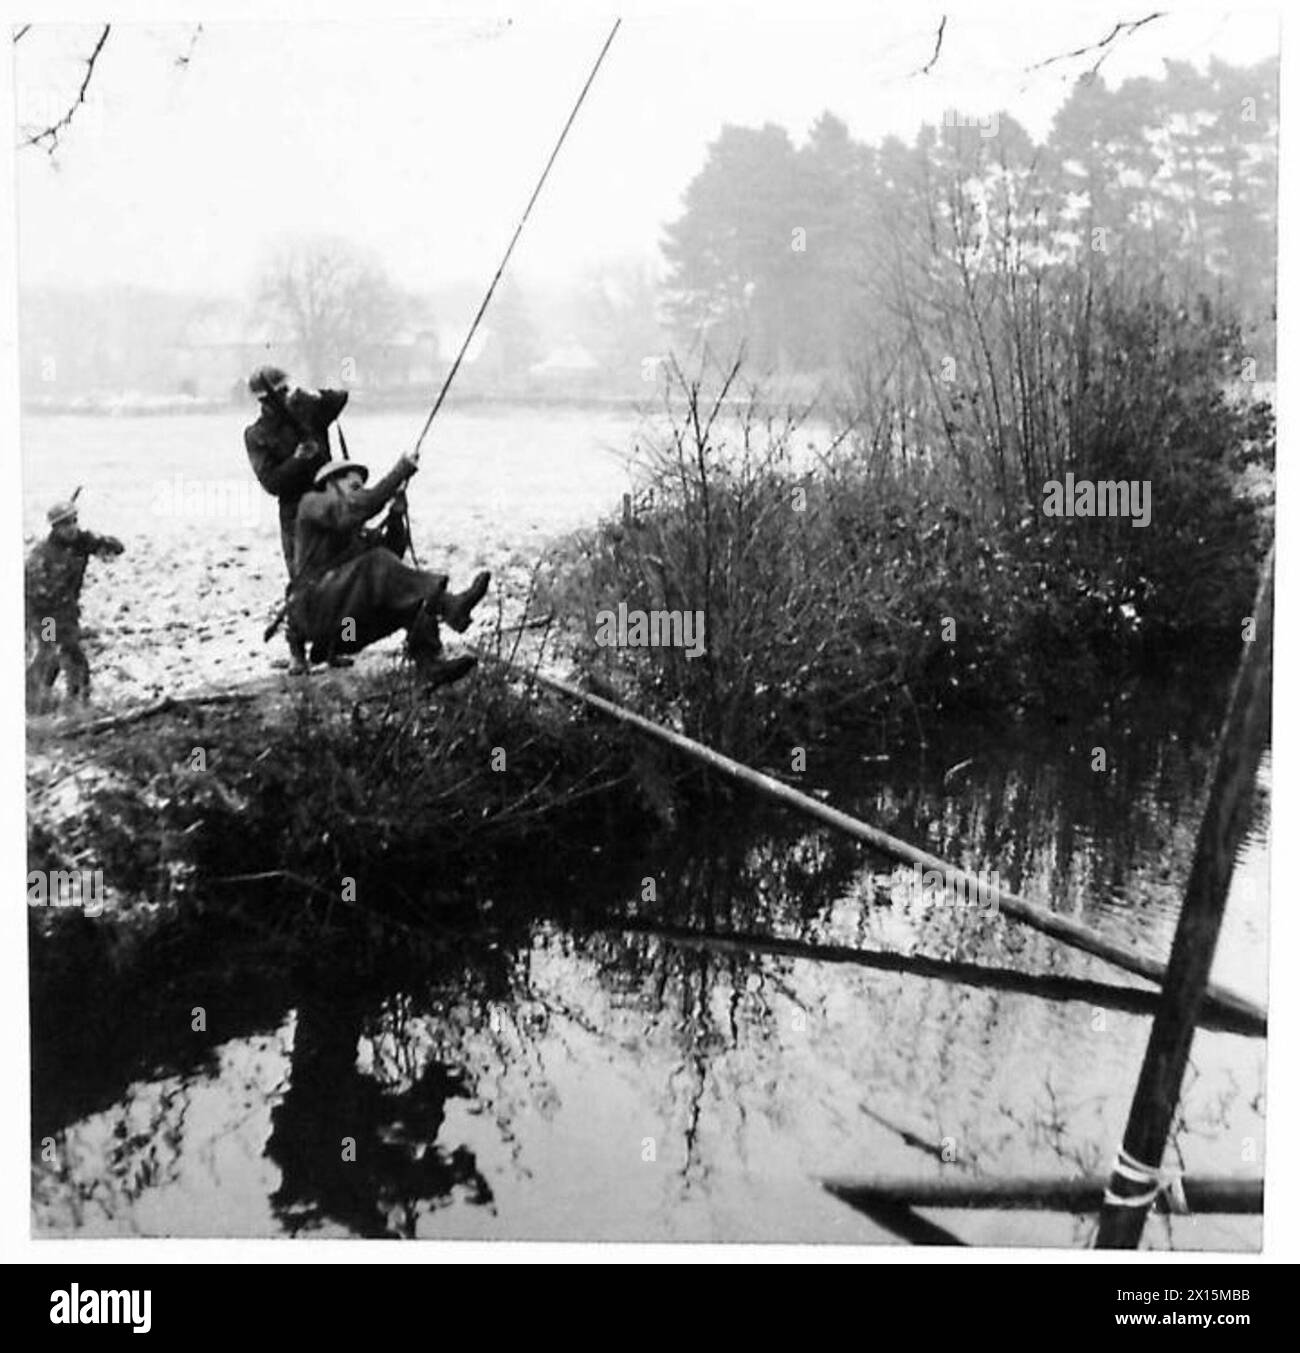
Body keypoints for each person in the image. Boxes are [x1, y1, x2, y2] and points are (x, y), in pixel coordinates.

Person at [287, 454, 490, 683]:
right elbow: (364, 507)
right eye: (354, 486)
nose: (360, 492)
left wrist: (395, 519)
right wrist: (401, 470)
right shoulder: (312, 503)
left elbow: (392, 563)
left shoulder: (355, 537)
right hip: (316, 616)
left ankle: (430, 665)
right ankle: (450, 605)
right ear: (330, 483)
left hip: (346, 631)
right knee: (379, 562)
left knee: (411, 599)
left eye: (362, 488)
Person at [244, 365, 348, 668]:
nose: (287, 397)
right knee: (302, 580)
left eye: (288, 390)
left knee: (341, 575)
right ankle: (297, 653)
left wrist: (312, 393)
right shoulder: (258, 434)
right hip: (295, 514)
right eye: (280, 393)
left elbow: (340, 398)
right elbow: (271, 483)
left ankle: (336, 646)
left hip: (329, 501)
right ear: (264, 401)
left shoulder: (309, 410)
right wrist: (296, 460)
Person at [25, 497, 124, 704]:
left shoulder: (81, 543)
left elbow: (116, 549)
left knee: (73, 655)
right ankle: (32, 697)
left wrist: (95, 541)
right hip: (46, 617)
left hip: (66, 613)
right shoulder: (41, 555)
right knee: (49, 653)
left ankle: (78, 700)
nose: (71, 528)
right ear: (55, 527)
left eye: (73, 521)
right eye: (65, 524)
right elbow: (34, 595)